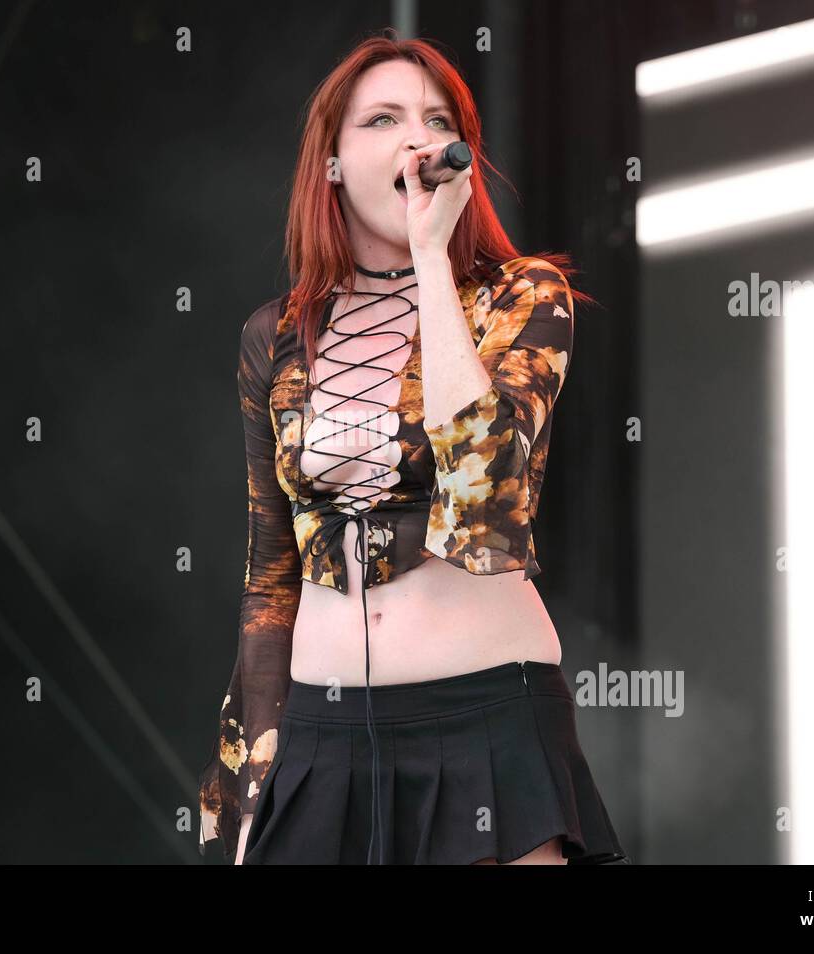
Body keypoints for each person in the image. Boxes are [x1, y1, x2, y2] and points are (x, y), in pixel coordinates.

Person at [197, 31, 629, 866]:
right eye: (382, 119)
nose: (413, 139)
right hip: (321, 736)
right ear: (330, 161)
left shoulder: (521, 298)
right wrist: (249, 782)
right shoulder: (276, 337)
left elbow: (485, 498)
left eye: (435, 120)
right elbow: (269, 573)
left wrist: (432, 256)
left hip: (482, 725)